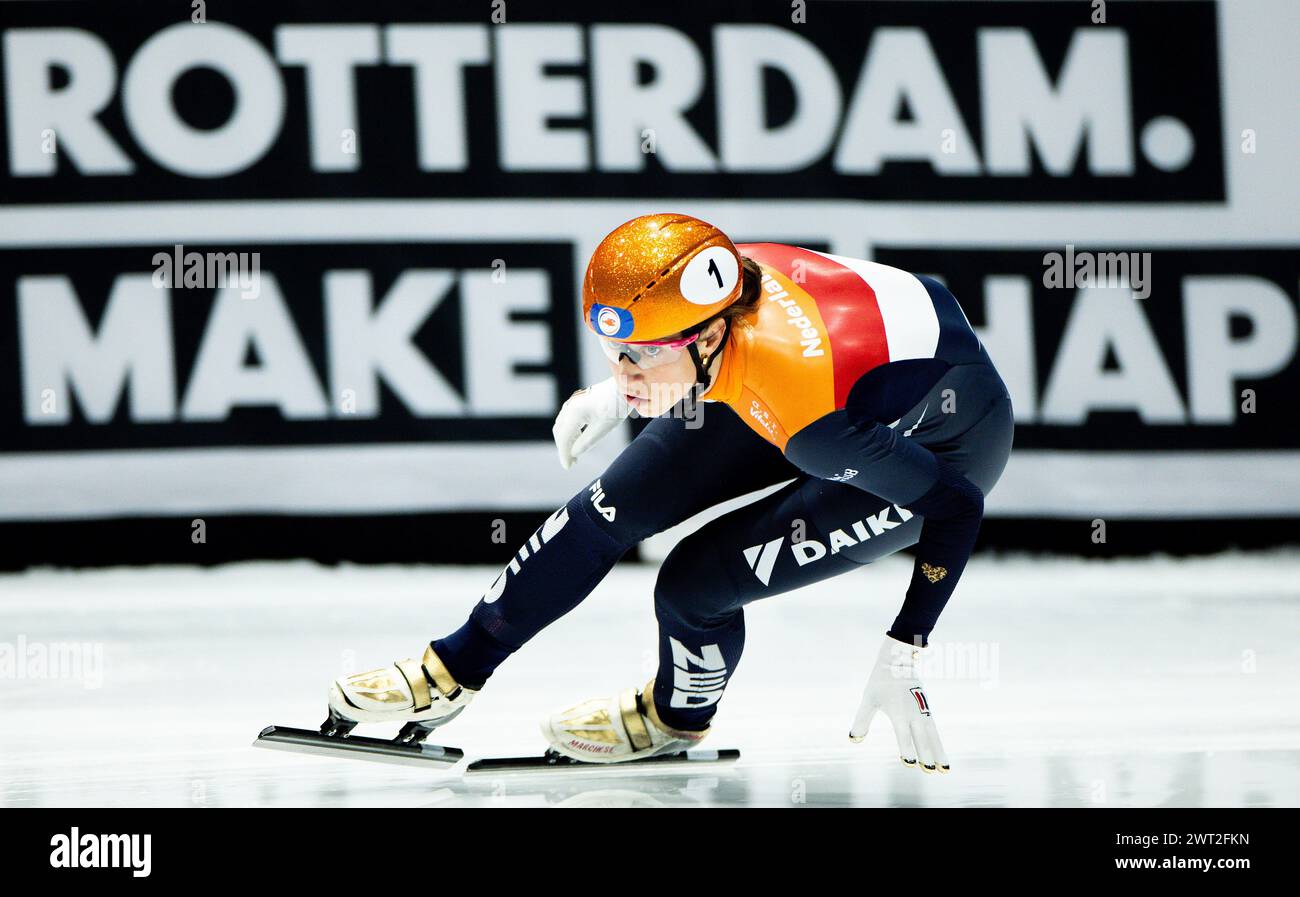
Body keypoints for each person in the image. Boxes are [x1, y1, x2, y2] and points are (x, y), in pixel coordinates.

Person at [326, 213, 1014, 770]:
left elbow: (955, 504)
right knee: (606, 509)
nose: (626, 370)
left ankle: (673, 718)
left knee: (694, 583)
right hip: (826, 378)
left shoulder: (811, 422)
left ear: (710, 334)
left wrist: (906, 644)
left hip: (943, 445)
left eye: (641, 355)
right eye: (611, 351)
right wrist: (617, 389)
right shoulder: (709, 280)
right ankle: (452, 668)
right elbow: (656, 332)